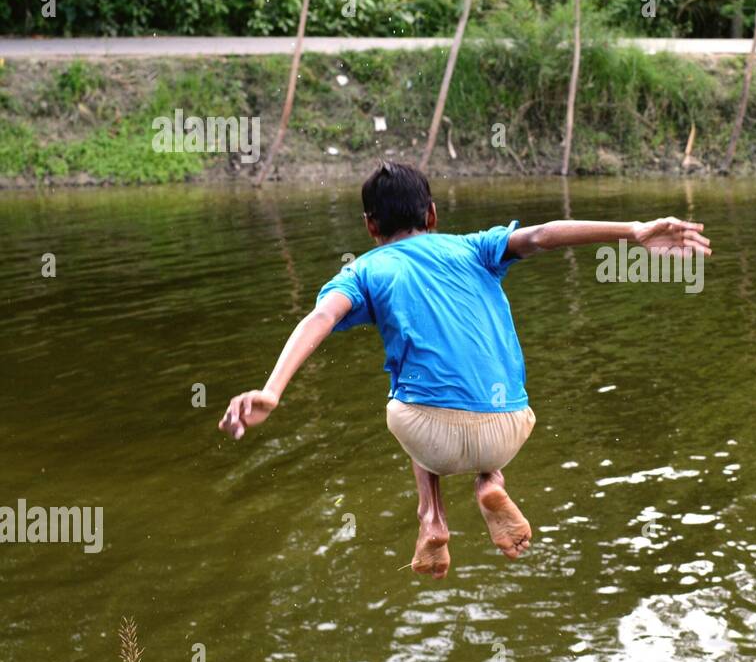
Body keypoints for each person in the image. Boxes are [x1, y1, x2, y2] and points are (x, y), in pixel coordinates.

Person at [218, 161, 711, 579]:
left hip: (428, 434)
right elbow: (543, 235)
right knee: (471, 374)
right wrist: (633, 230)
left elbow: (321, 317)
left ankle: (431, 517)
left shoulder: (364, 270)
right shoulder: (474, 247)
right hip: (509, 428)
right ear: (433, 214)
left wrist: (272, 389)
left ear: (371, 227)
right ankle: (490, 482)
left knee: (406, 386)